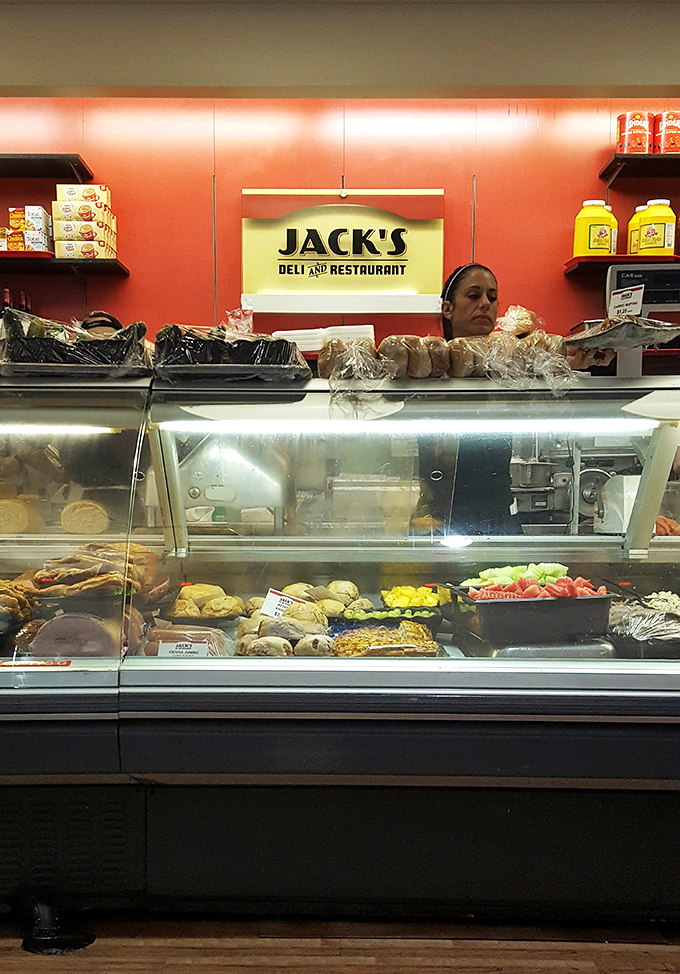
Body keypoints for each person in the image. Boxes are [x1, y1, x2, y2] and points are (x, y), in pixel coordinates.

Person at [415, 263, 614, 535]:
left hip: (498, 515)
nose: (485, 303)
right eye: (474, 296)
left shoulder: (512, 364)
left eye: (492, 297)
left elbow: (551, 392)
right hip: (439, 518)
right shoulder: (425, 364)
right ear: (447, 308)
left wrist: (574, 368)